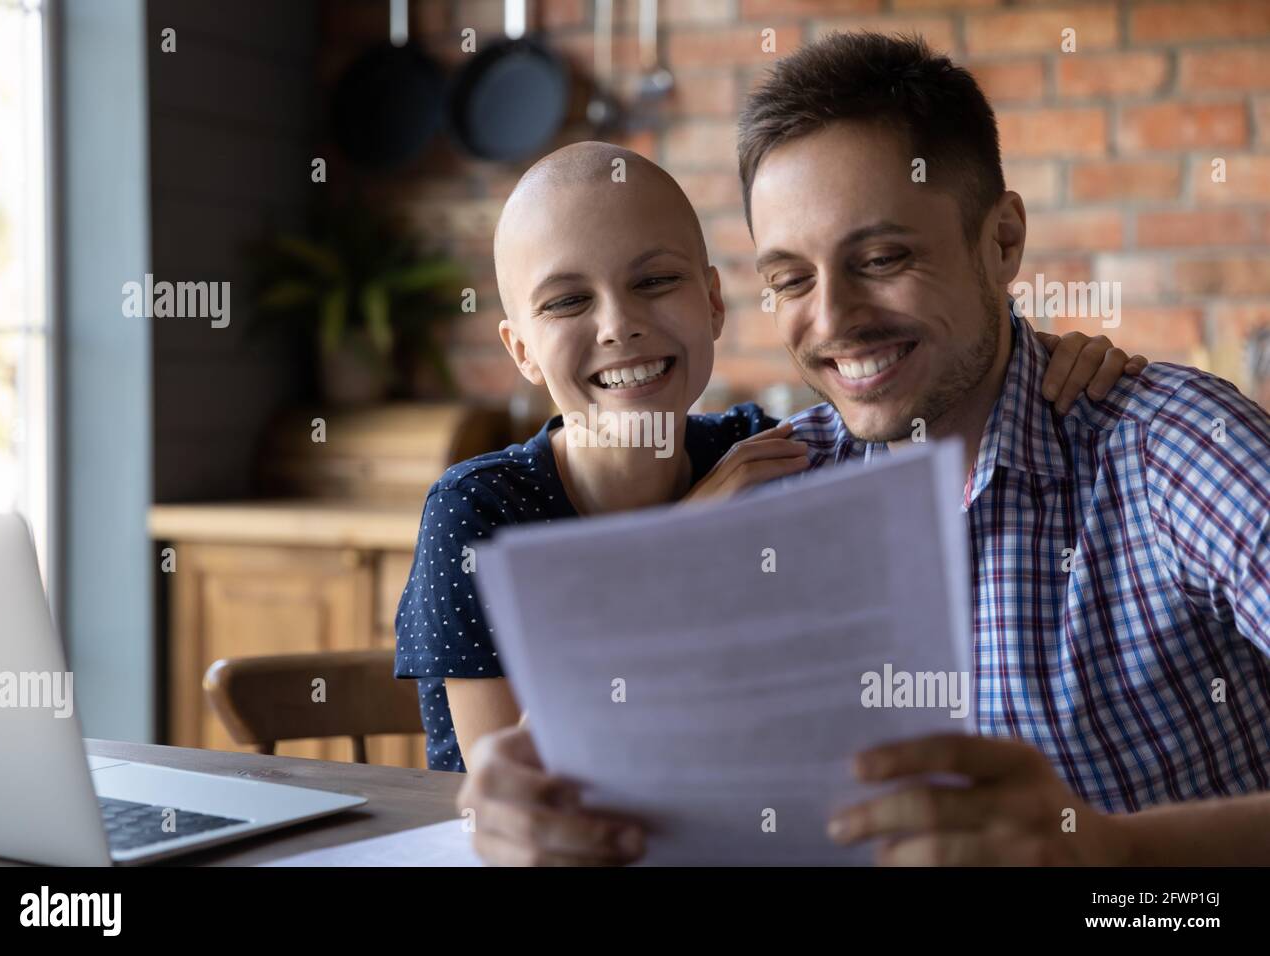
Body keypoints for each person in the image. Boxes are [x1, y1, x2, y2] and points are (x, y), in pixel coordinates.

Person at [458, 32, 1270, 867]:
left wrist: (1109, 854)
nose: (835, 320)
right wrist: (518, 806)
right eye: (791, 280)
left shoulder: (1171, 447)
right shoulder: (774, 485)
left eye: (882, 258)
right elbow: (594, 768)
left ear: (1002, 242)